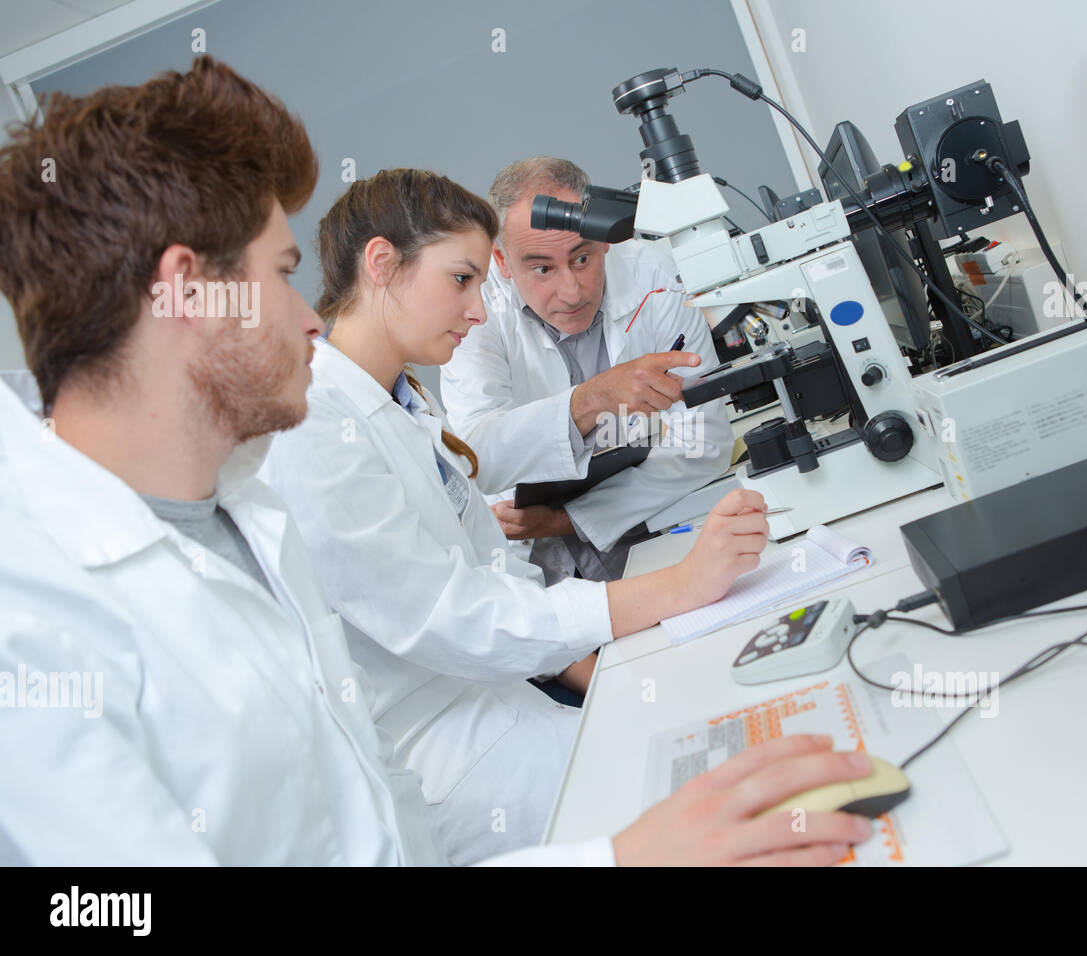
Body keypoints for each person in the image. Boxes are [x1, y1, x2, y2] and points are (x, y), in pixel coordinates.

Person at [0, 56, 873, 866]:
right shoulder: (35, 631)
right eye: (281, 271)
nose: (311, 320)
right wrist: (618, 857)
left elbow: (375, 793)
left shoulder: (243, 510)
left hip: (484, 742)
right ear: (189, 290)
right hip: (476, 747)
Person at [261, 168, 784, 863]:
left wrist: (607, 673)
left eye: (480, 285)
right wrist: (683, 585)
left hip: (508, 700)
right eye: (461, 280)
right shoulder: (318, 426)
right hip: (449, 756)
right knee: (724, 790)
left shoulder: (402, 406)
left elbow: (495, 577)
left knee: (721, 737)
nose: (480, 310)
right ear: (382, 264)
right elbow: (457, 618)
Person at [440, 156, 733, 585]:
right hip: (532, 557)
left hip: (654, 518)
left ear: (604, 239)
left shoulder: (652, 275)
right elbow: (476, 456)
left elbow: (705, 440)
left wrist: (568, 518)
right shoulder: (476, 313)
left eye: (582, 259)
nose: (572, 291)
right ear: (501, 261)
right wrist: (592, 399)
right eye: (541, 268)